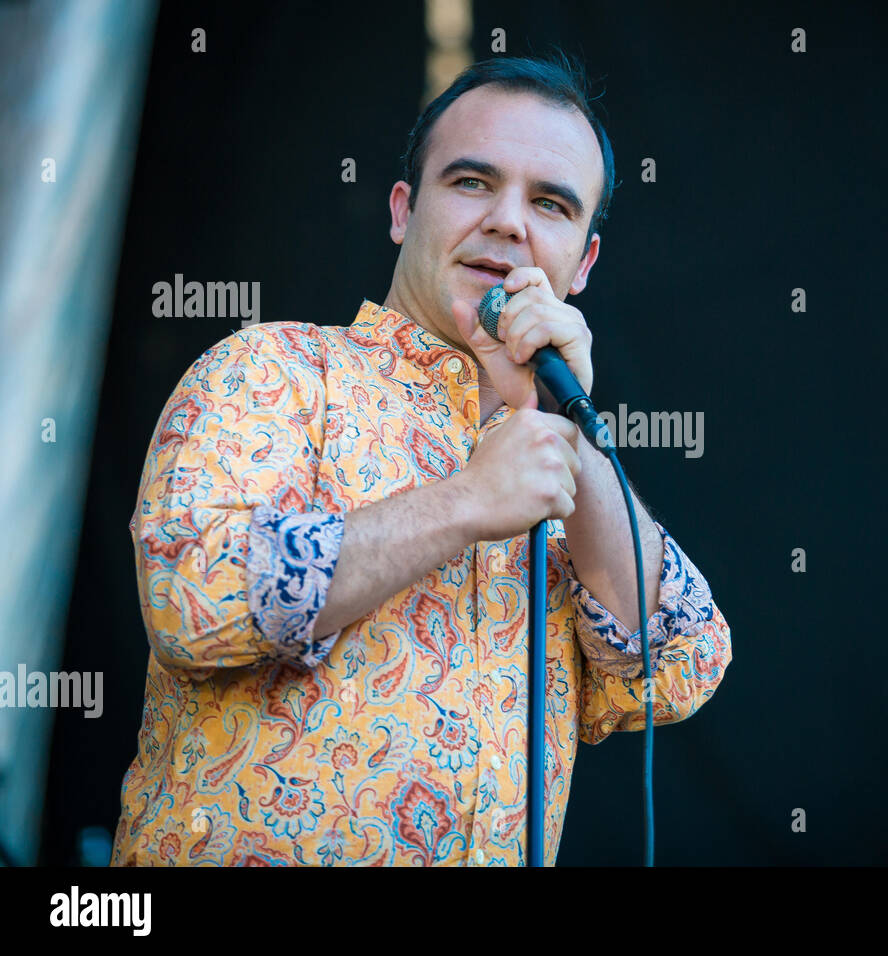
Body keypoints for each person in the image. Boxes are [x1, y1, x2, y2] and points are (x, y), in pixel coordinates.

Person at [110, 53, 732, 867]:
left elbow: (678, 668)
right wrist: (467, 501)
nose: (508, 222)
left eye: (549, 203)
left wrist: (568, 432)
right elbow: (193, 600)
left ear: (583, 263)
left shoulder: (558, 472)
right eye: (472, 182)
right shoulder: (274, 369)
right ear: (404, 211)